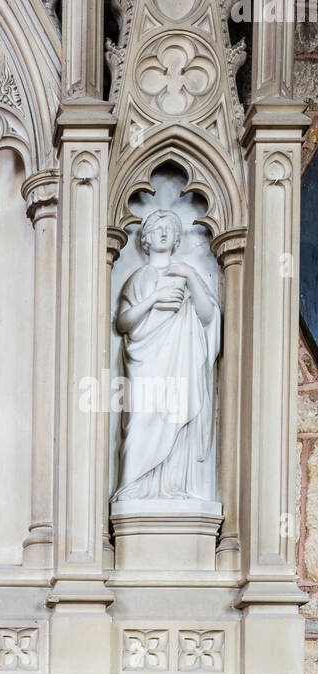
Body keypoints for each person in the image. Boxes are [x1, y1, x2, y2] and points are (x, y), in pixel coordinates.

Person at [112, 208, 220, 504]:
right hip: (145, 365)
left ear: (175, 239)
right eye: (157, 228)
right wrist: (154, 299)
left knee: (177, 415)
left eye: (169, 229)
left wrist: (190, 277)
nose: (163, 233)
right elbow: (123, 323)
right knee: (142, 419)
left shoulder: (187, 275)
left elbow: (209, 316)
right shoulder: (138, 278)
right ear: (145, 238)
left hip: (180, 364)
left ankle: (173, 488)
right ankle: (133, 487)